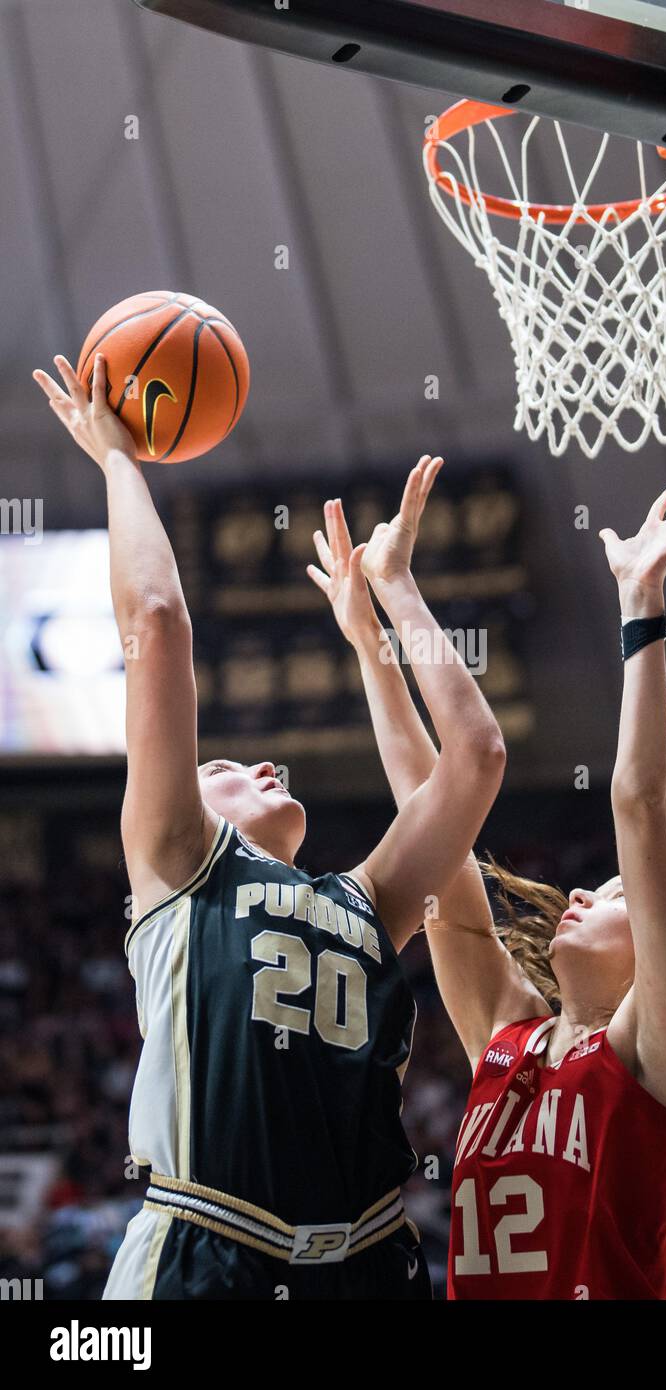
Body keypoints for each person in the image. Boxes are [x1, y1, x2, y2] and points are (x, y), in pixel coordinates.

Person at [33, 355, 506, 1300]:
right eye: (221, 770)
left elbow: (477, 759)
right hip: (209, 1257)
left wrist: (391, 603)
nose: (259, 766)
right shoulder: (178, 866)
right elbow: (159, 620)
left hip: (367, 1266)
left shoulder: (363, 900)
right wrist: (118, 460)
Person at [317, 476, 666, 1300]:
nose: (577, 898)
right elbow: (433, 828)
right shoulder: (509, 1038)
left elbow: (641, 809)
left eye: (612, 899)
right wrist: (382, 620)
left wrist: (641, 606)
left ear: (659, 948)